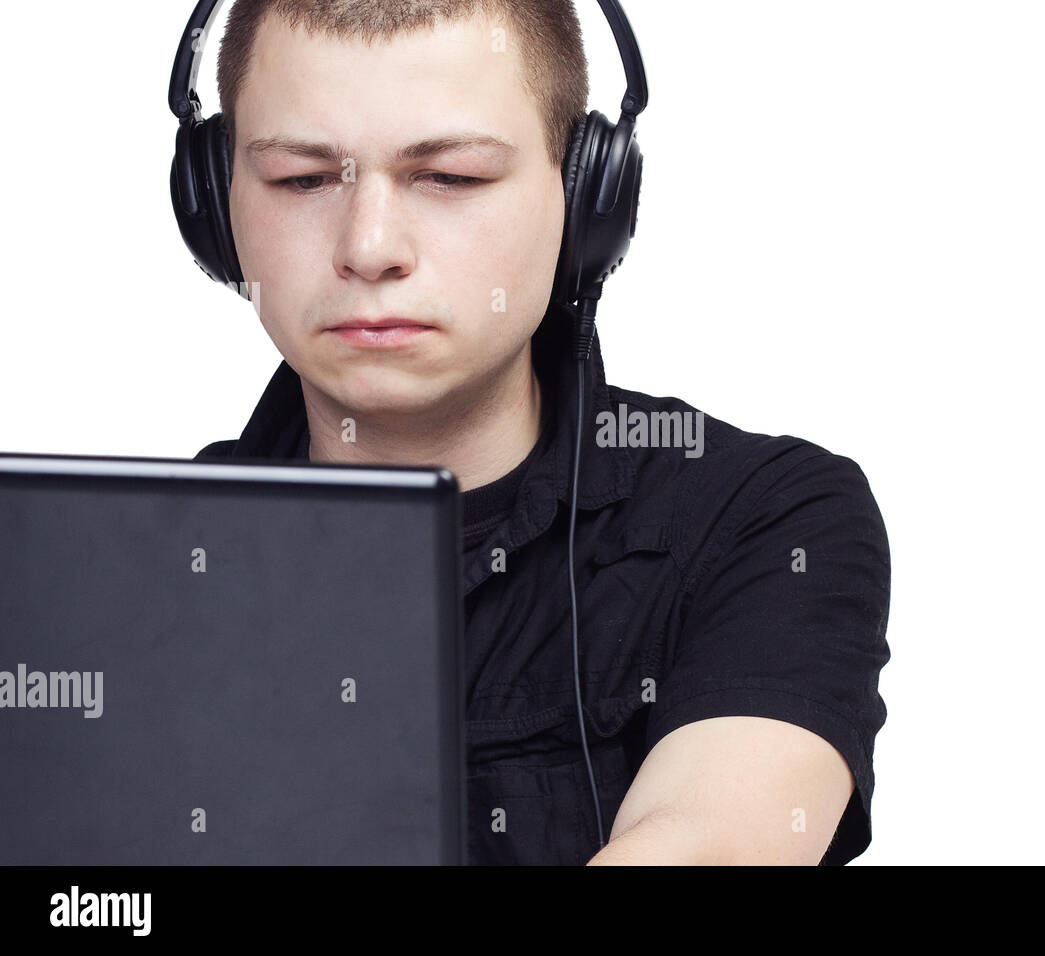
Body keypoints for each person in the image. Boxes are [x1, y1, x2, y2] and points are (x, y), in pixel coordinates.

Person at [188, 0, 890, 865]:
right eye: (301, 178)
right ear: (213, 208)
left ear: (588, 195)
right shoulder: (116, 570)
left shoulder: (764, 521)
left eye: (450, 177)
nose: (369, 248)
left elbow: (711, 845)